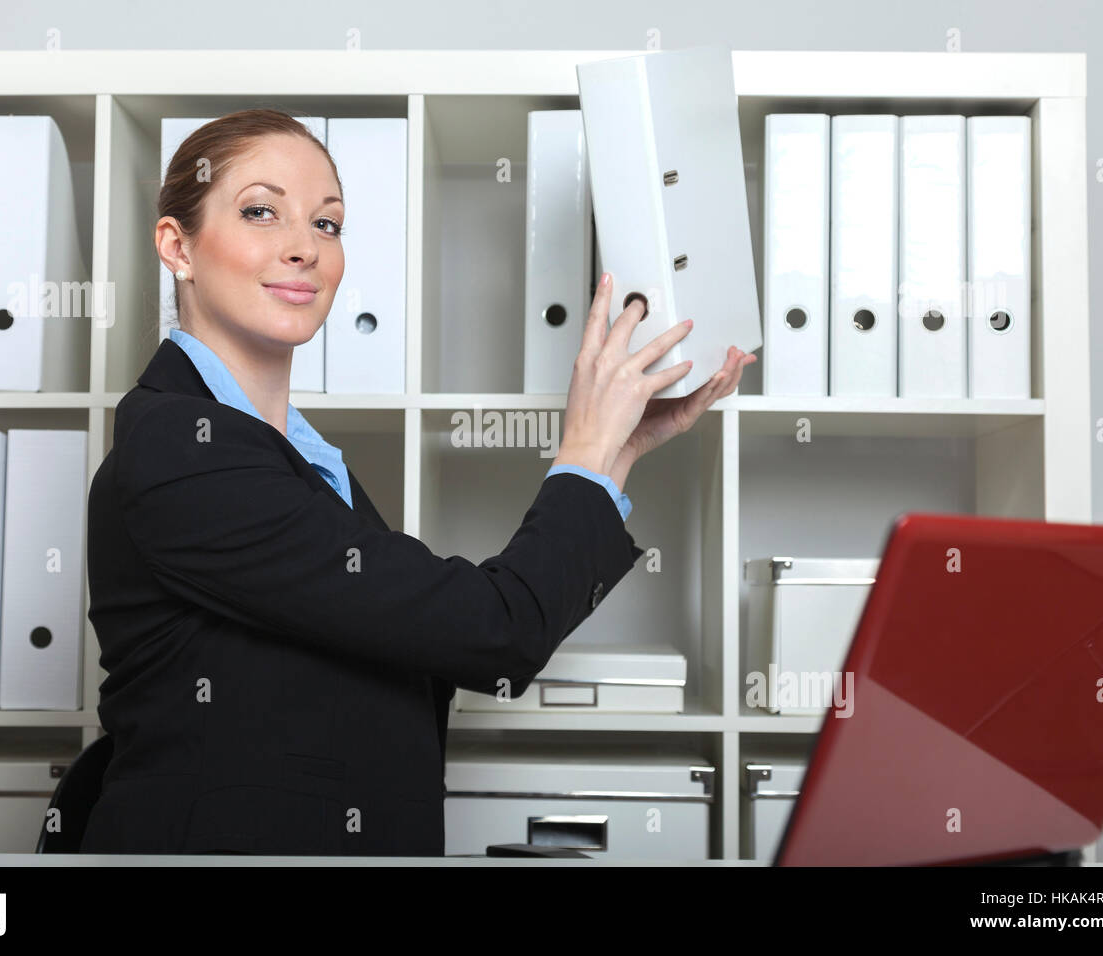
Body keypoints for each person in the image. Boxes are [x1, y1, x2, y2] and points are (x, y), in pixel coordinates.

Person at [81, 108, 755, 856]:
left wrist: (616, 448)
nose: (303, 247)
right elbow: (494, 629)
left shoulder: (293, 459)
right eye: (260, 212)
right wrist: (584, 448)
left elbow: (407, 636)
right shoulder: (183, 448)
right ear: (178, 246)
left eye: (328, 224)